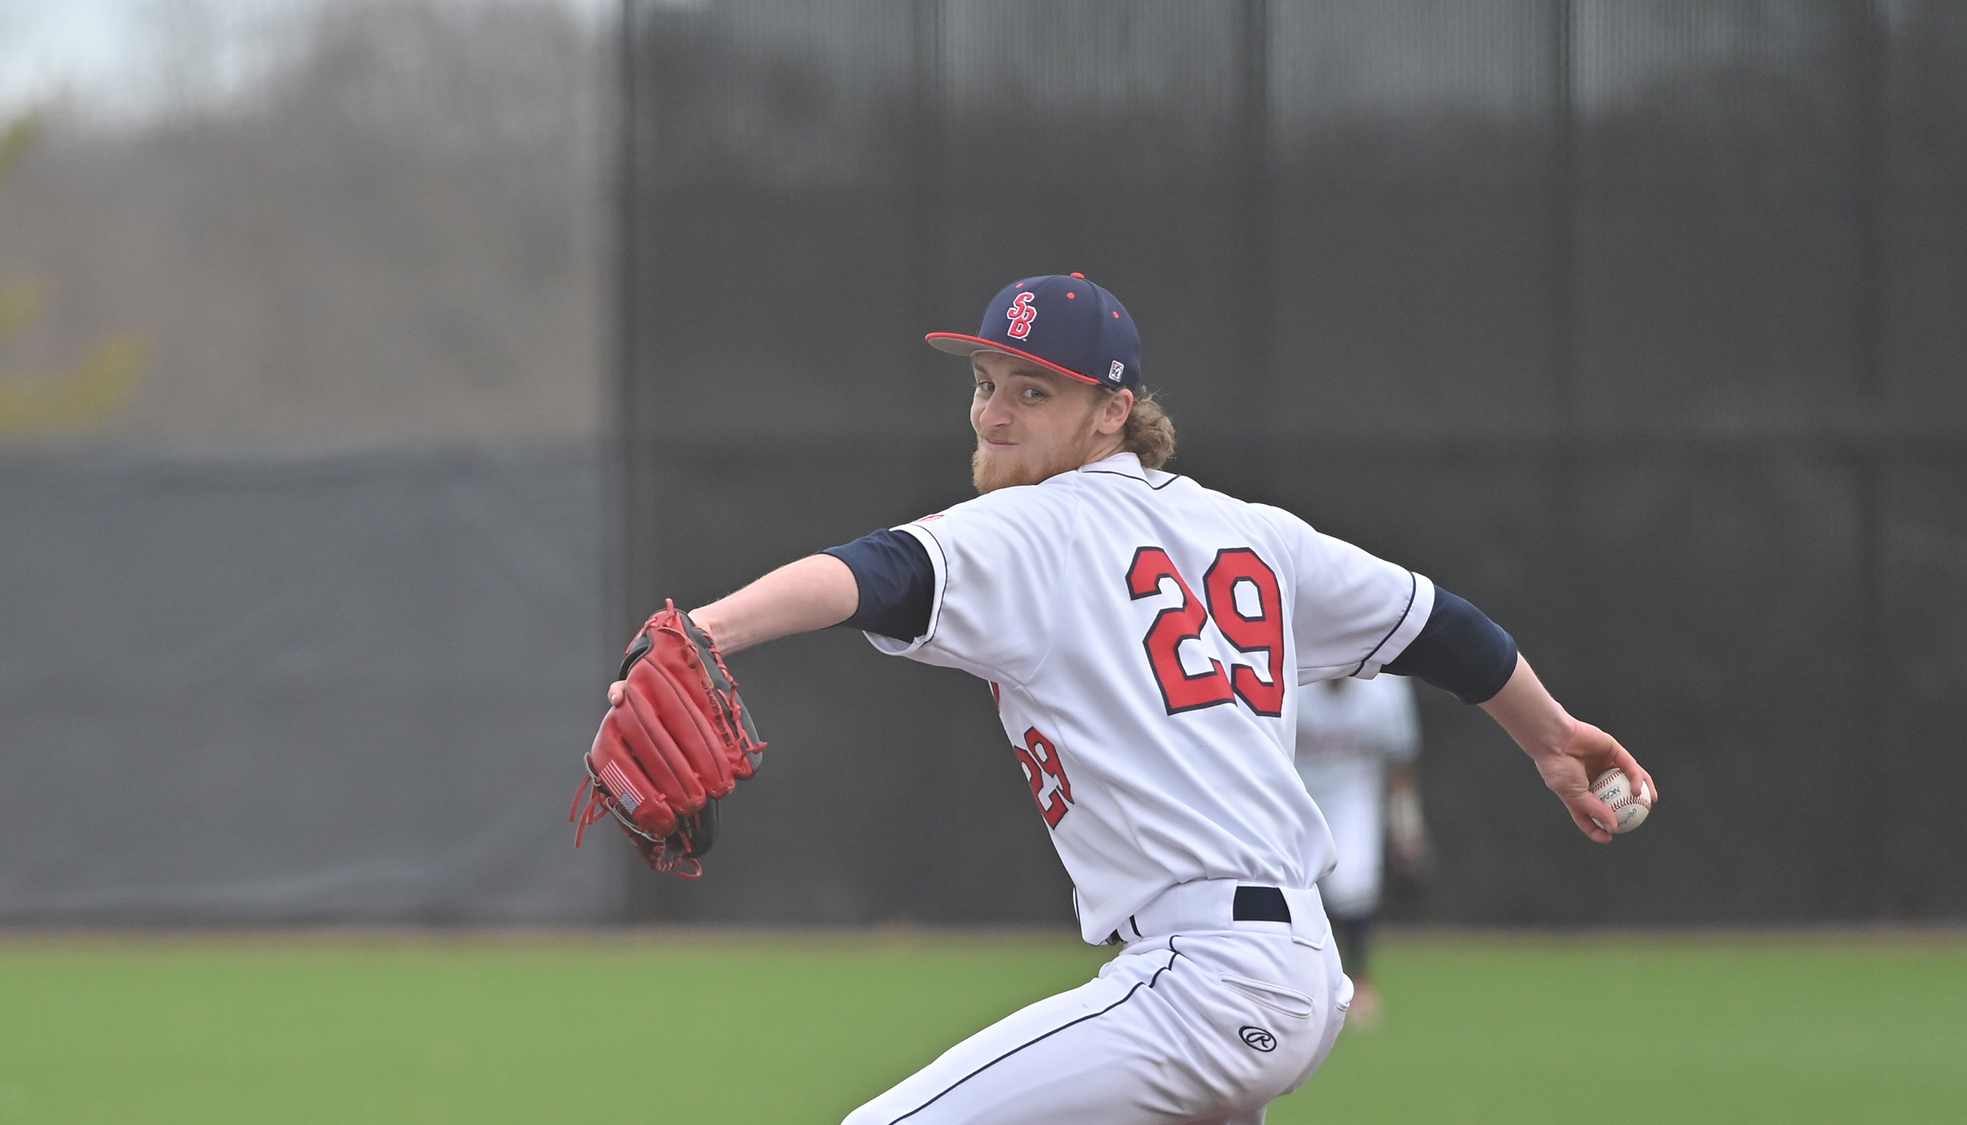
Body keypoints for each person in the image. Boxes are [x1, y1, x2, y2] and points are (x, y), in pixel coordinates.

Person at [610, 274, 1656, 1125]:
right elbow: (1445, 630)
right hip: (1279, 968)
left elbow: (876, 571)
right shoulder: (1254, 534)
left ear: (1113, 412)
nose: (992, 411)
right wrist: (1547, 736)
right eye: (983, 381)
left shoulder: (1039, 526)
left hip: (1201, 981)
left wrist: (702, 632)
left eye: (1033, 390)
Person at [1292, 673, 1428, 1027]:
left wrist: (1406, 830)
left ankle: (1359, 980)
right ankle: (1298, 985)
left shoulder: (1385, 691)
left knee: (1354, 885)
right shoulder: (1292, 682)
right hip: (1298, 795)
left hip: (1355, 794)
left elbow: (1400, 767)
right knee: (1292, 888)